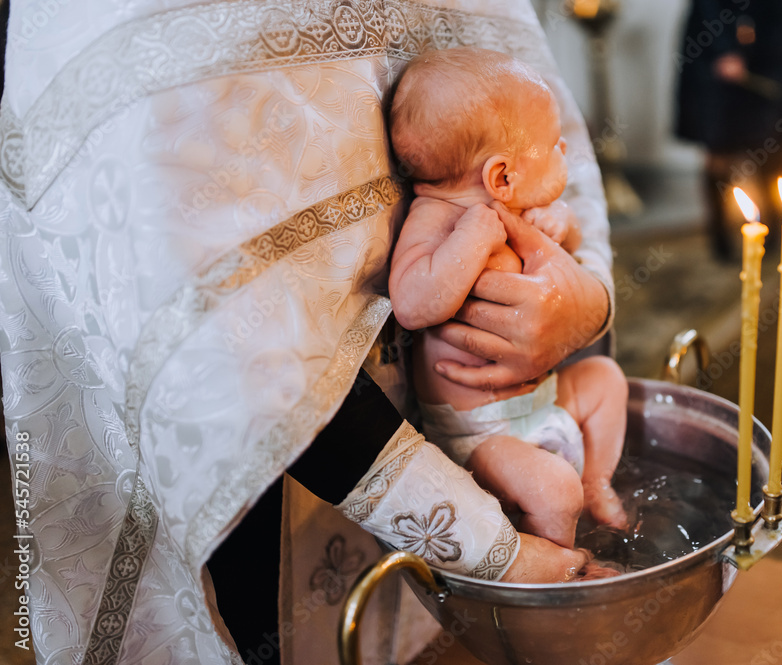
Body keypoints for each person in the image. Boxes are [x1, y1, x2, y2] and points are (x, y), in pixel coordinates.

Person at [0, 1, 614, 664]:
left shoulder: (504, 169)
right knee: (264, 611)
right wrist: (489, 549)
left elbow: (532, 113)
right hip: (320, 452)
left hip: (498, 402)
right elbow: (235, 337)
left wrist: (584, 300)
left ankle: (588, 508)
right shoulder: (458, 219)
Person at [387, 48, 628, 550]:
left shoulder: (524, 207)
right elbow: (412, 304)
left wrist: (567, 227)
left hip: (544, 399)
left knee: (606, 379)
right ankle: (561, 566)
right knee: (555, 493)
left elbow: (565, 256)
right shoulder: (435, 221)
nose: (564, 147)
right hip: (479, 435)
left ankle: (596, 481)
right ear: (502, 177)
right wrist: (471, 238)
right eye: (552, 145)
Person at [675, 0, 782, 260]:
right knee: (719, 161)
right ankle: (720, 239)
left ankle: (775, 231)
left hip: (765, 63)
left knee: (771, 154)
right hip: (719, 79)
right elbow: (708, 12)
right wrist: (724, 50)